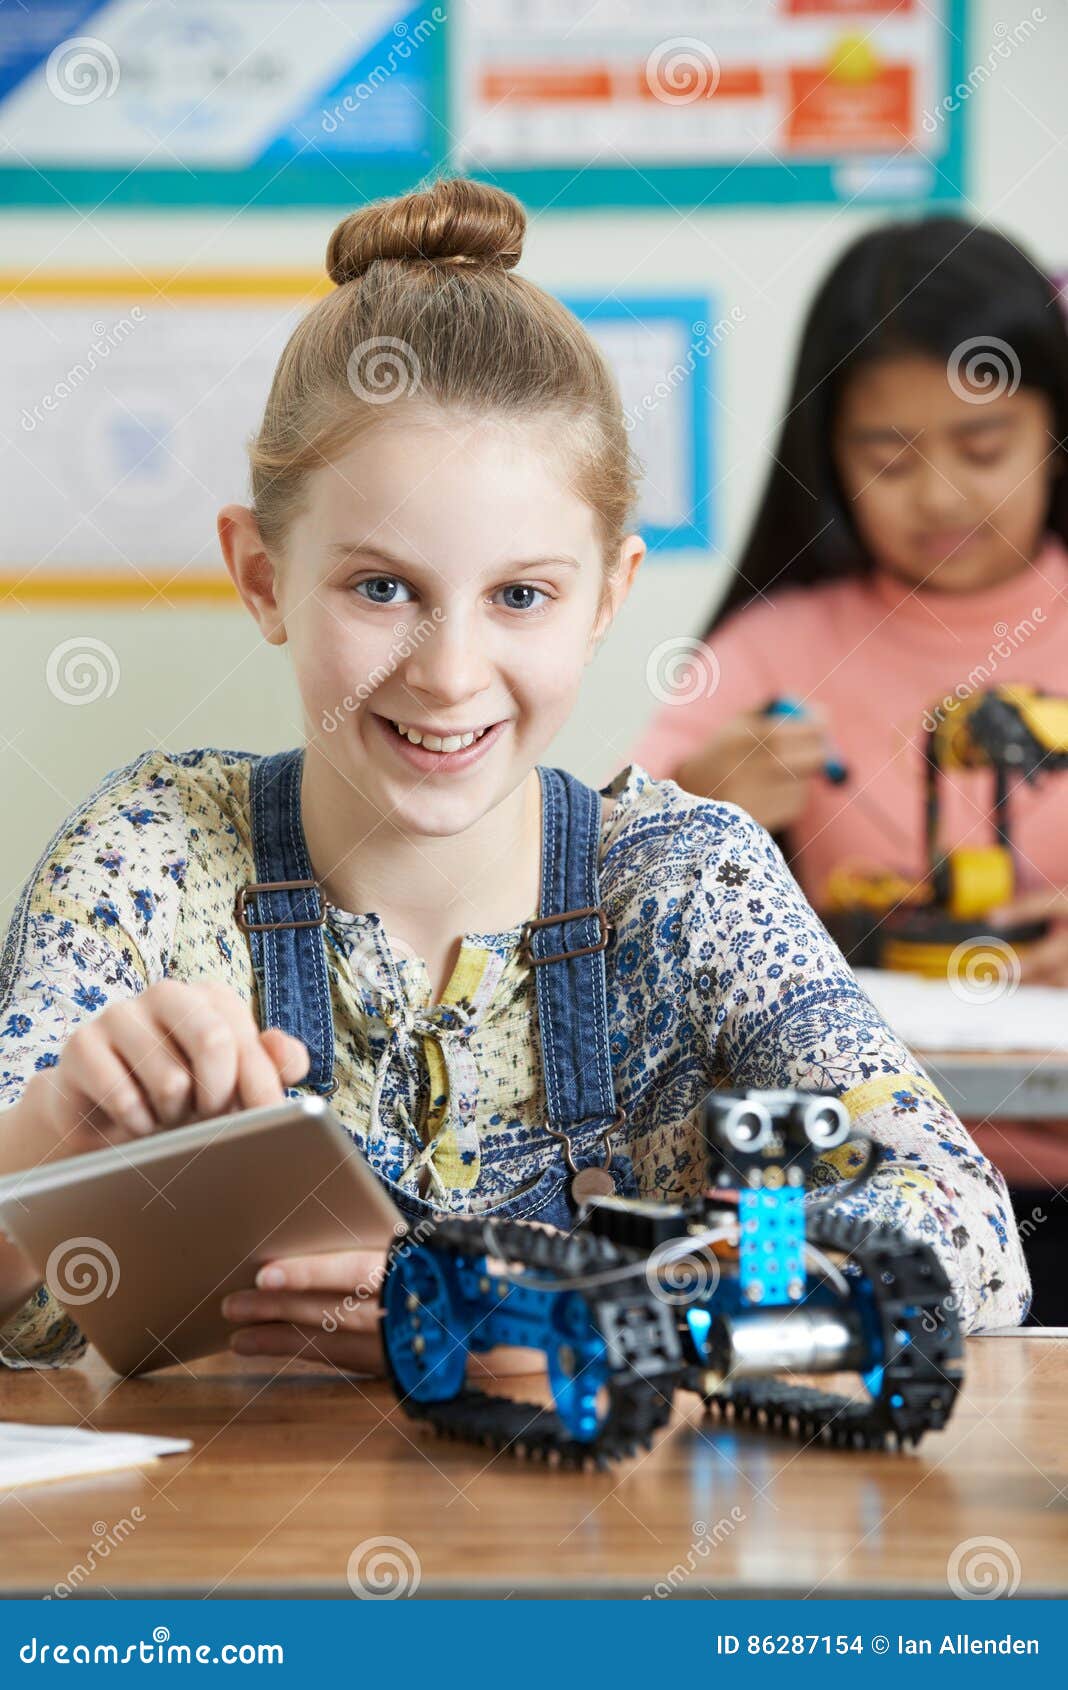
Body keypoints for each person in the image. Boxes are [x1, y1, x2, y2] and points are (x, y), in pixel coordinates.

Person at [0, 181, 1029, 1377]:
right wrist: (48, 1137)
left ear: (608, 596)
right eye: (381, 588)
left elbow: (970, 1244)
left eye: (521, 596)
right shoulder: (150, 857)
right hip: (230, 1561)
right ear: (262, 574)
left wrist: (557, 1310)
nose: (447, 673)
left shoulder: (693, 881)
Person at [633, 215, 1068, 1320]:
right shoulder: (775, 651)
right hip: (845, 1200)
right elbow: (583, 868)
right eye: (888, 455)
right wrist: (700, 812)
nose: (941, 496)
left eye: (984, 446)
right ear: (827, 450)